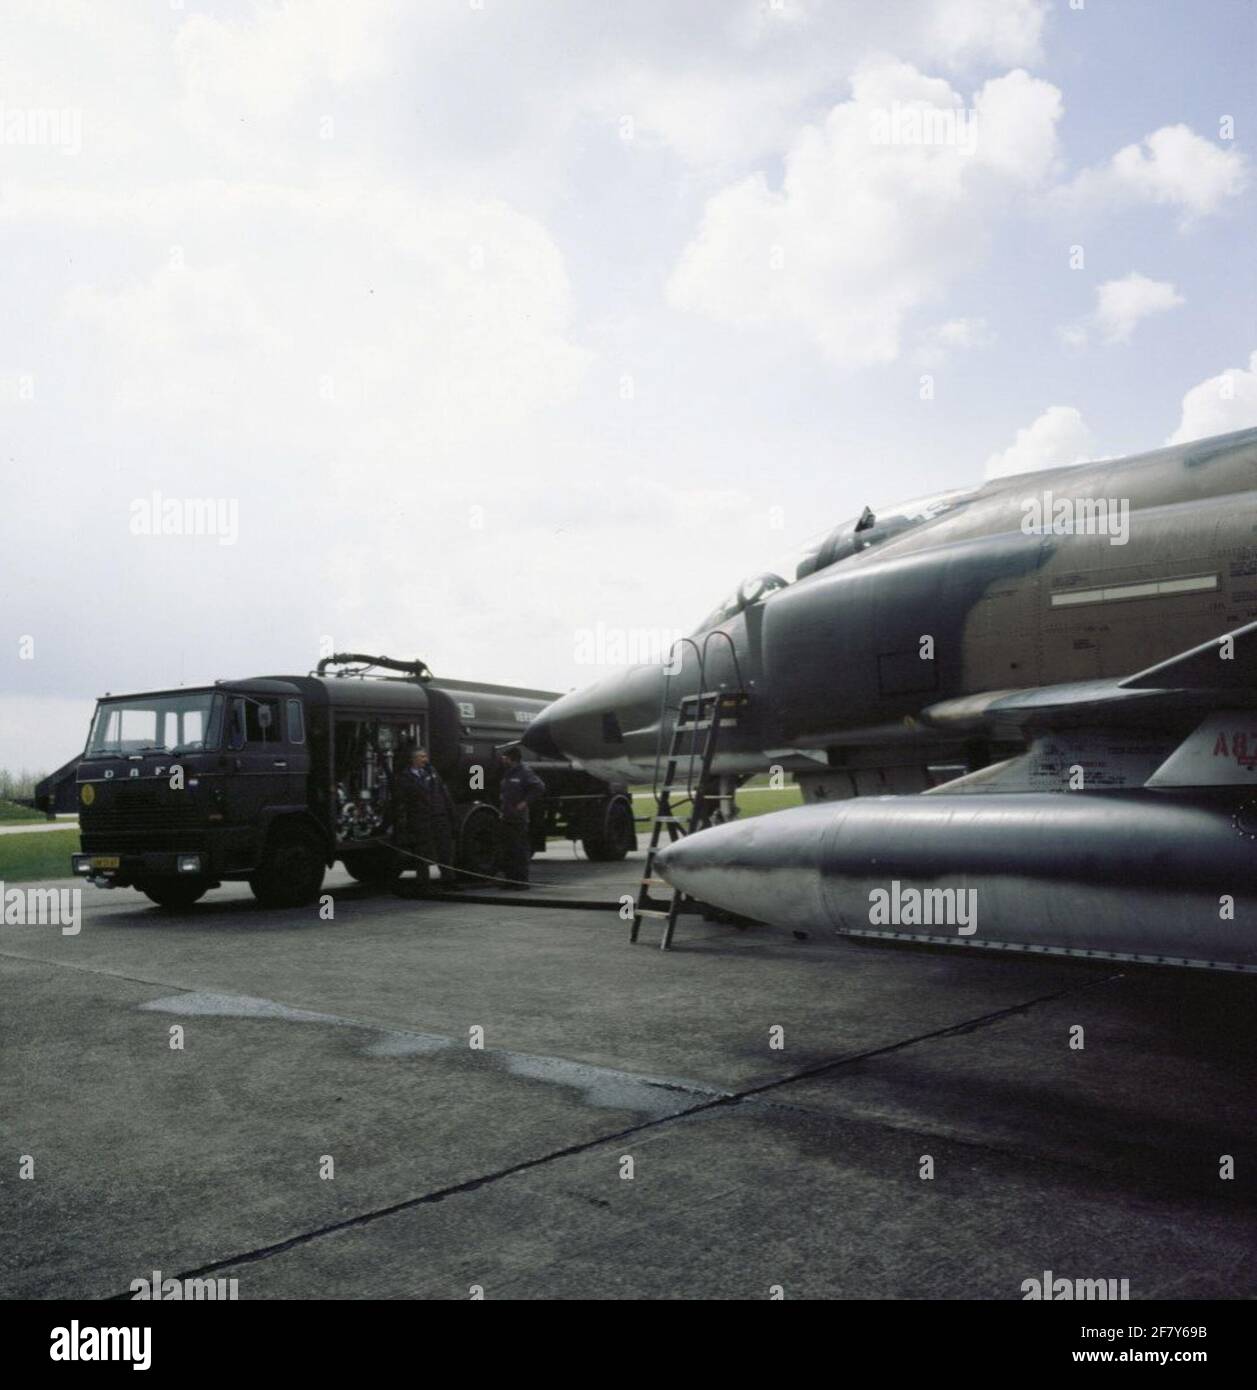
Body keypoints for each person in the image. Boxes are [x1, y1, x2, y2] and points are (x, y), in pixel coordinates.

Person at [392, 747, 458, 893]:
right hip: (420, 820)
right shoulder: (405, 778)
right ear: (413, 759)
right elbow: (401, 803)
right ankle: (424, 885)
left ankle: (449, 881)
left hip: (439, 818)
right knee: (422, 853)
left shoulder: (432, 772)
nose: (425, 759)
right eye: (422, 757)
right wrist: (403, 825)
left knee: (445, 851)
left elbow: (444, 795)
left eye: (425, 756)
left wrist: (452, 817)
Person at [499, 746, 545, 886]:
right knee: (508, 849)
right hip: (506, 816)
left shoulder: (524, 772)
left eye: (505, 757)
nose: (503, 760)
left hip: (519, 818)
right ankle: (510, 880)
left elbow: (539, 787)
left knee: (519, 849)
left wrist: (525, 802)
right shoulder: (508, 773)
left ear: (511, 758)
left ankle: (521, 880)